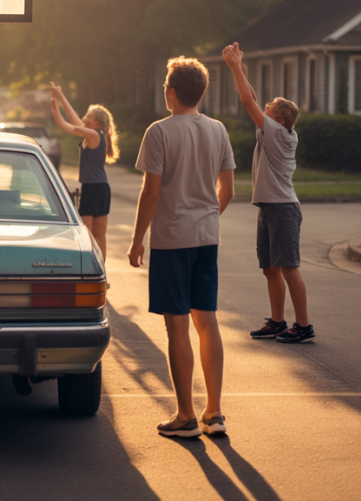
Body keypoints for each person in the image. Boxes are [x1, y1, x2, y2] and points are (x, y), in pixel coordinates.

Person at [128, 57, 236, 438]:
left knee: (177, 328)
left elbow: (151, 192)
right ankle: (215, 413)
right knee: (207, 322)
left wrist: (138, 239)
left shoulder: (158, 132)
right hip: (207, 237)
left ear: (171, 93)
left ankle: (186, 415)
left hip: (173, 241)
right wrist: (206, 215)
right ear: (201, 92)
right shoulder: (218, 130)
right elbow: (228, 191)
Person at [223, 42, 314, 343]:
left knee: (289, 268)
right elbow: (254, 99)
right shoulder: (273, 130)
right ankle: (278, 321)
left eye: (268, 111)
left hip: (284, 208)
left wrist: (236, 68)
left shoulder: (282, 135)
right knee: (270, 269)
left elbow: (249, 101)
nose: (263, 112)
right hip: (269, 207)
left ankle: (303, 326)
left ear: (281, 121)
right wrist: (240, 64)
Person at [50, 84, 119, 257]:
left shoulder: (94, 135)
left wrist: (60, 98)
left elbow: (70, 126)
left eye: (89, 116)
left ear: (96, 122)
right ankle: (99, 273)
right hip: (100, 188)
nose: (85, 117)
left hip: (94, 189)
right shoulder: (94, 135)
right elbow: (71, 122)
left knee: (92, 236)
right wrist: (57, 104)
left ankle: (98, 273)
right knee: (96, 236)